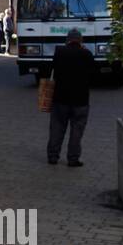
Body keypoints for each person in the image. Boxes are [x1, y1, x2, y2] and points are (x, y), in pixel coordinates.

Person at [47, 28, 93, 167]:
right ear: (81, 40)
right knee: (77, 131)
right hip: (80, 99)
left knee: (57, 128)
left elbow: (52, 69)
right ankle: (73, 159)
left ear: (67, 40)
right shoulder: (86, 54)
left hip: (60, 98)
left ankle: (53, 156)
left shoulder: (59, 52)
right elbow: (93, 74)